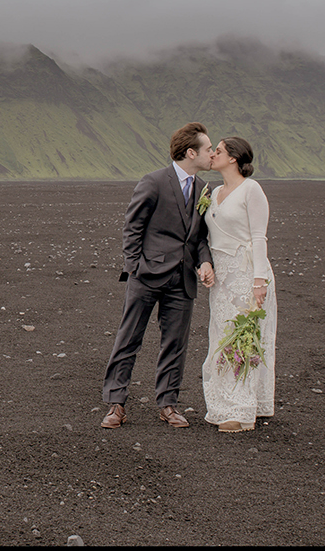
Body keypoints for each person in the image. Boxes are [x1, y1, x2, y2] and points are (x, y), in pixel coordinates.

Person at [100, 123, 216, 428]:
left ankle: (168, 403)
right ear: (191, 152)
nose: (212, 153)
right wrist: (134, 268)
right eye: (208, 149)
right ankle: (115, 404)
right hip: (146, 276)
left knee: (175, 343)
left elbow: (201, 237)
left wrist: (204, 262)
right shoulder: (153, 182)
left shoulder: (205, 189)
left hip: (183, 279)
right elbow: (132, 226)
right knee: (129, 338)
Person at [201, 136, 275, 433]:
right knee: (221, 335)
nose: (212, 155)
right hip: (222, 278)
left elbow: (259, 236)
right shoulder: (215, 191)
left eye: (217, 151)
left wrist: (259, 280)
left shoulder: (251, 189)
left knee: (243, 338)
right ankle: (221, 404)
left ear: (233, 158)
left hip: (245, 273)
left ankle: (240, 411)